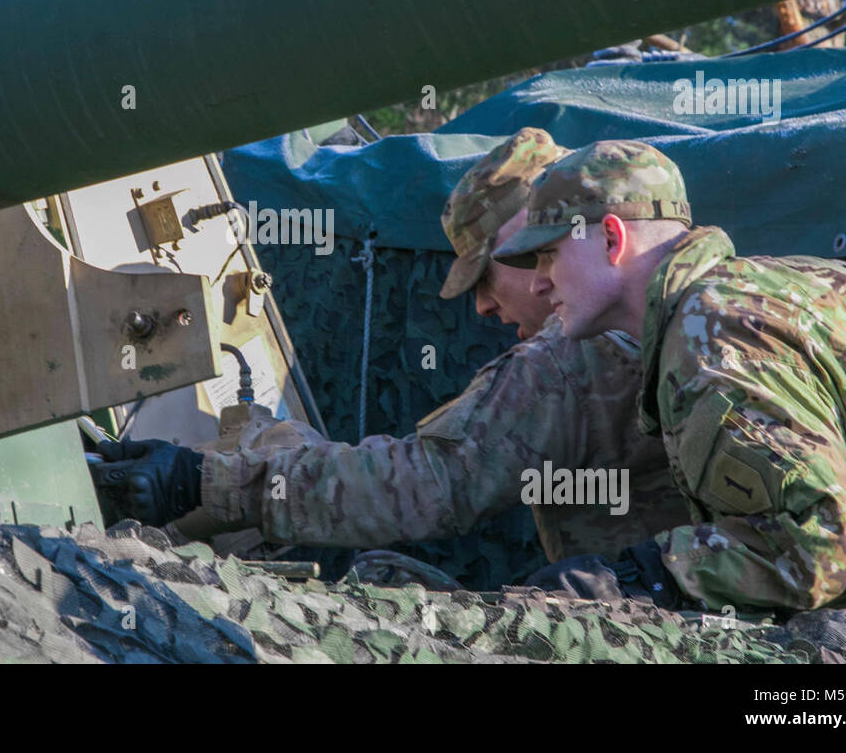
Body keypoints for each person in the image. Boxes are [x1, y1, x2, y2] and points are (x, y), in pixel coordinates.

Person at [89, 128, 688, 565]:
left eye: (485, 275)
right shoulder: (687, 303)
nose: (483, 306)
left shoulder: (565, 360)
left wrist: (199, 483)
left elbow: (427, 480)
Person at [492, 139, 846, 639]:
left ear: (612, 240)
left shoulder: (709, 337)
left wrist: (647, 576)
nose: (538, 285)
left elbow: (827, 541)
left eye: (549, 255)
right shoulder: (809, 280)